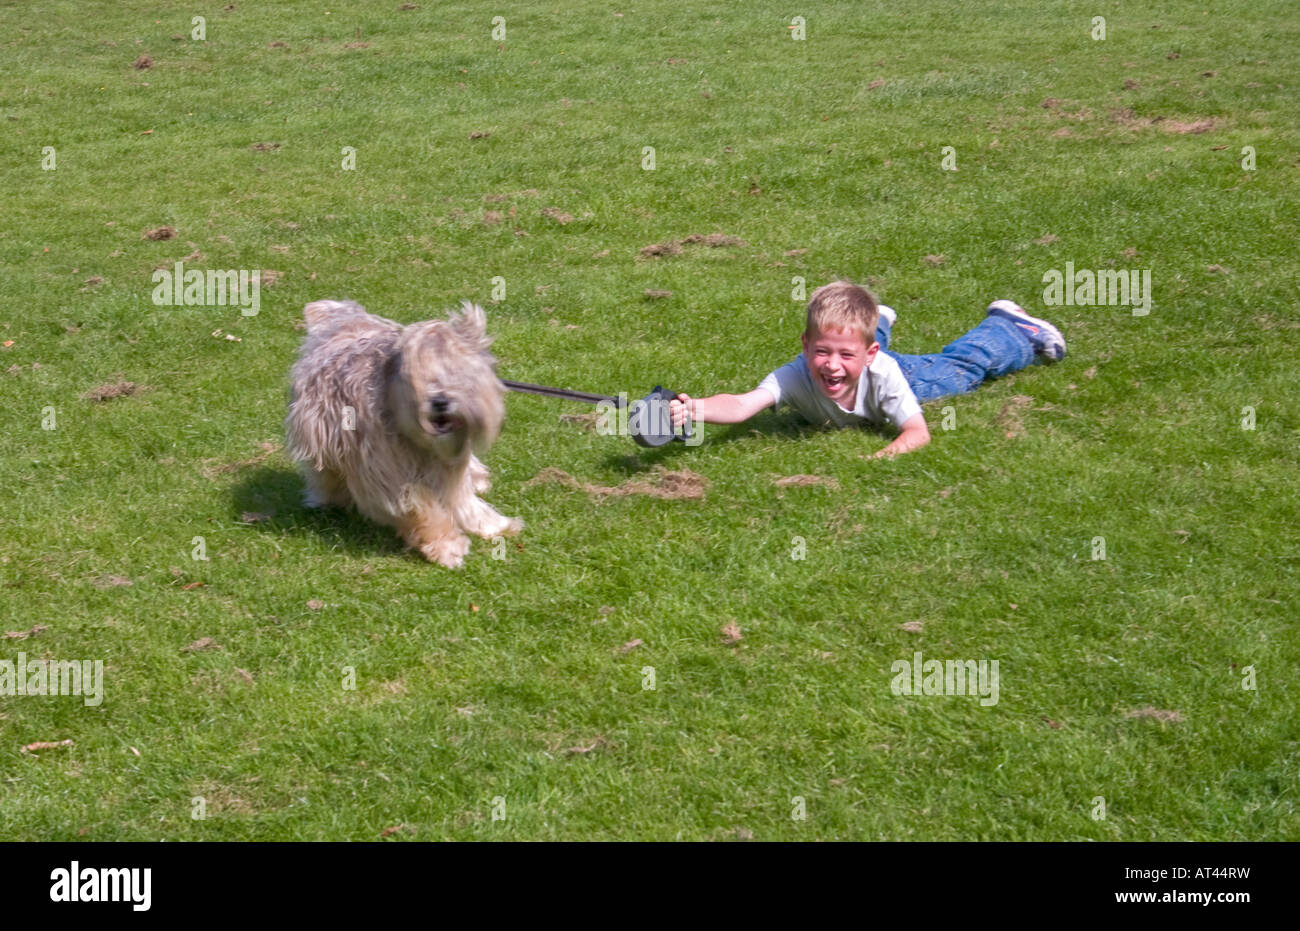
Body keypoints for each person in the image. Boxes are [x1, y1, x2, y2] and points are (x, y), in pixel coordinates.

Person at [668, 280, 1066, 458]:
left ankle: (1010, 328)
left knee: (960, 373)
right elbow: (741, 406)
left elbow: (917, 432)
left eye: (845, 355)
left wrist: (882, 457)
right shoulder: (796, 375)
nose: (831, 366)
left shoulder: (885, 374)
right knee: (846, 350)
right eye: (822, 352)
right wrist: (694, 408)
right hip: (870, 354)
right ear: (805, 346)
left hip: (912, 378)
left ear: (869, 354)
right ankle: (880, 320)